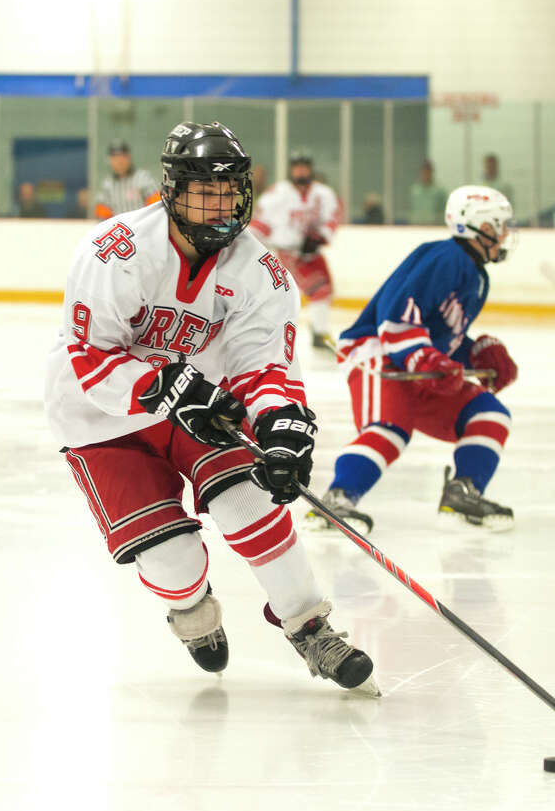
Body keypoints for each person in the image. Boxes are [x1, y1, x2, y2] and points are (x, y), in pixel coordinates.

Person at [42, 121, 377, 694]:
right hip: (103, 419)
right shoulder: (114, 251)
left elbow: (264, 363)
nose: (221, 203)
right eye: (205, 191)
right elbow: (91, 360)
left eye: (230, 190)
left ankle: (309, 625)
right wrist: (164, 386)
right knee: (174, 563)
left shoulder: (260, 270)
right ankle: (193, 615)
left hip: (203, 403)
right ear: (172, 191)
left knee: (252, 504)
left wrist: (281, 425)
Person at [303, 185, 519, 534]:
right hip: (379, 351)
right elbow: (396, 319)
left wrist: (476, 351)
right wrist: (427, 360)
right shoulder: (446, 257)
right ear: (473, 225)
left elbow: (443, 335)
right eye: (497, 227)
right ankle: (337, 499)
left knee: (489, 414)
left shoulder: (476, 275)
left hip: (418, 363)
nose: (504, 235)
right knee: (390, 429)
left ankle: (464, 491)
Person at [250, 151, 341, 350]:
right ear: (291, 169)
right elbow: (260, 222)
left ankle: (319, 332)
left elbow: (333, 217)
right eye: (297, 167)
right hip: (289, 253)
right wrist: (250, 244)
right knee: (316, 288)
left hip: (312, 253)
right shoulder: (278, 193)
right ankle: (314, 334)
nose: (300, 170)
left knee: (324, 290)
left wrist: (321, 237)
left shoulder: (322, 193)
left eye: (304, 166)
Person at [94, 139, 161, 220]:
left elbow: (157, 207)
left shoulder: (143, 178)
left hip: (144, 227)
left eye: (123, 156)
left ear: (129, 157)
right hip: (120, 230)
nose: (119, 161)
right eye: (115, 157)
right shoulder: (107, 185)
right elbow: (102, 217)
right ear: (110, 160)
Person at [408, 160, 447, 225]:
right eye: (424, 172)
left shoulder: (439, 192)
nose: (425, 174)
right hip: (416, 226)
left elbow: (443, 212)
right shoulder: (414, 191)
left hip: (434, 226)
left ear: (432, 173)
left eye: (428, 172)